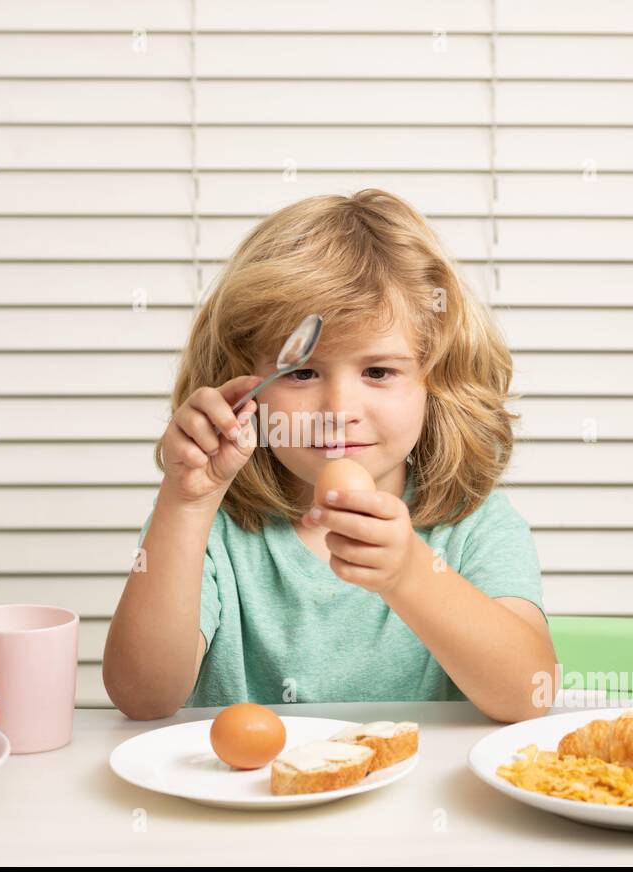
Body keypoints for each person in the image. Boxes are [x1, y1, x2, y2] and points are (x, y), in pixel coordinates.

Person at [103, 188, 556, 721]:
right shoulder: (207, 525)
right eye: (301, 372)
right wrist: (185, 505)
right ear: (242, 381)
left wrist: (410, 572)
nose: (339, 409)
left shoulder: (474, 527)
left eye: (379, 372)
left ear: (436, 381)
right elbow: (142, 696)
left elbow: (532, 694)